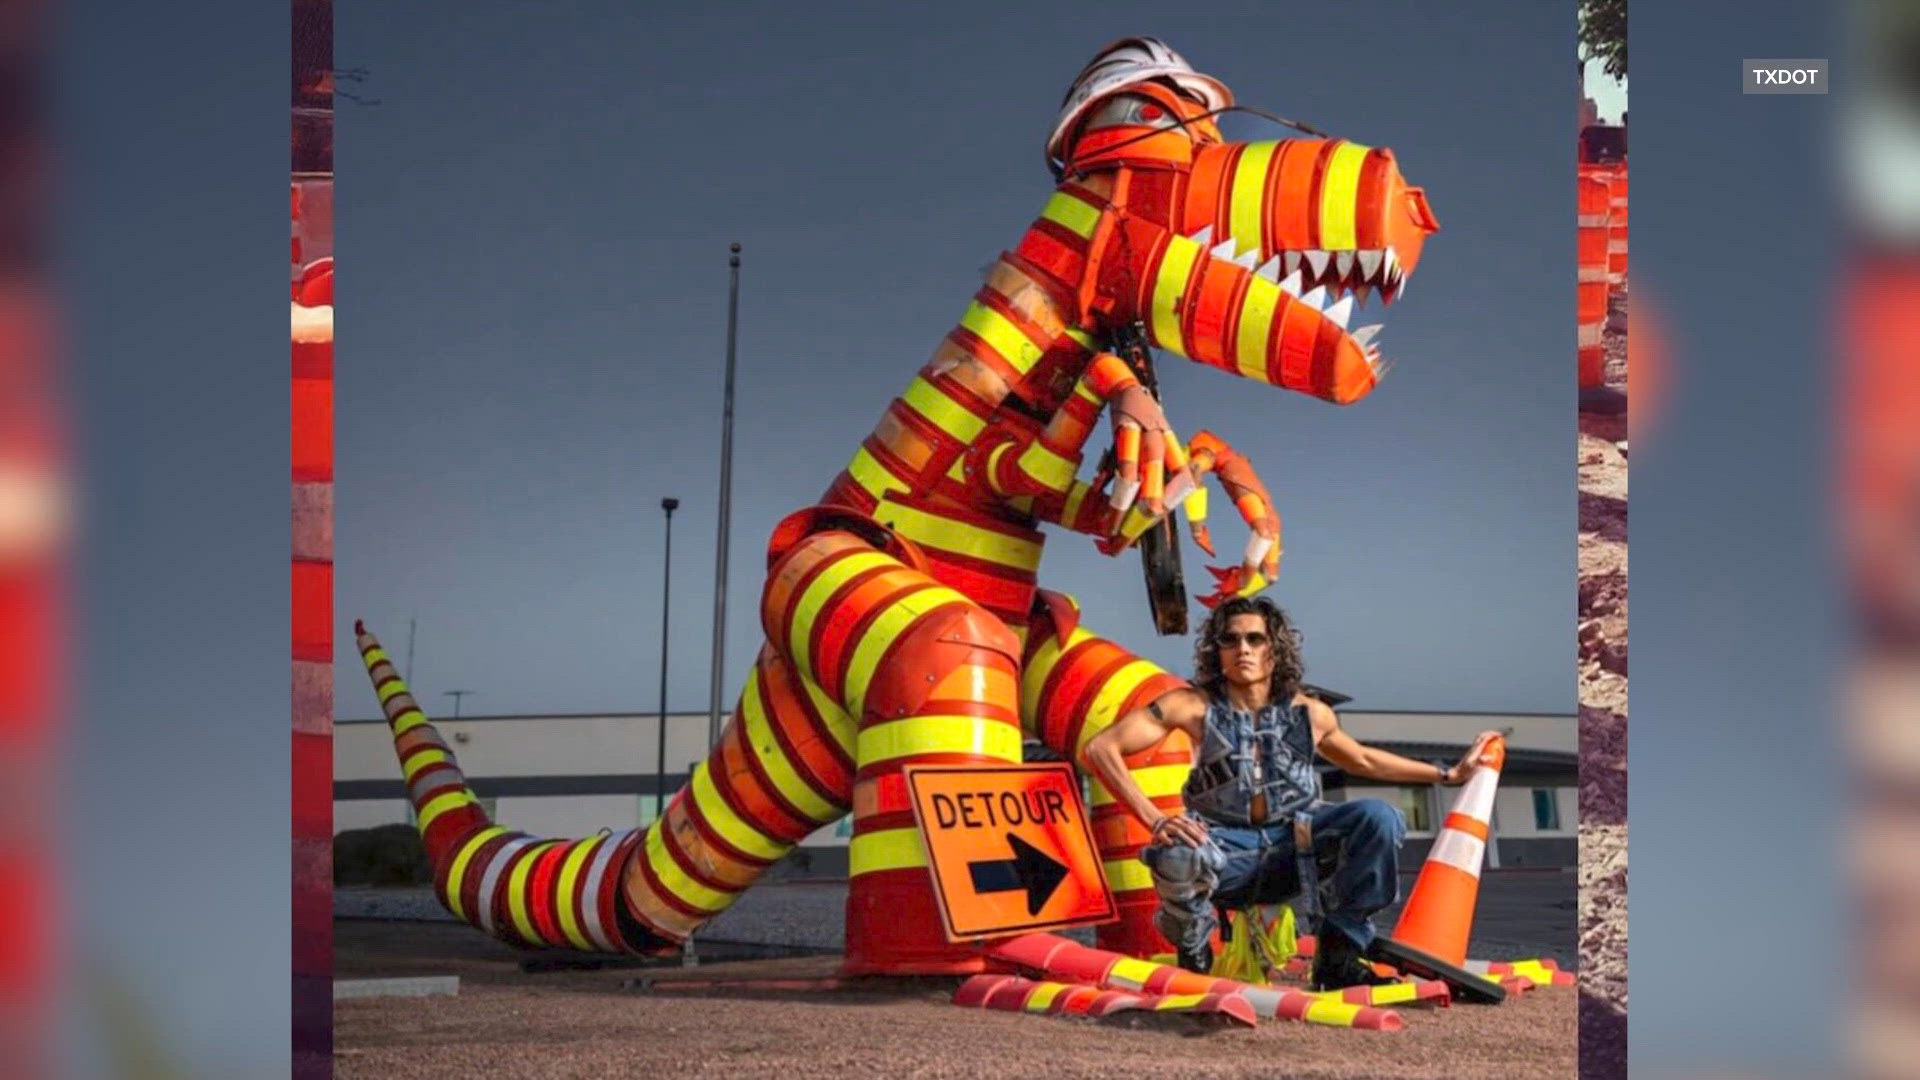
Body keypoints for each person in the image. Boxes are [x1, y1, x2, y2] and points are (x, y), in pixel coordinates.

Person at [1079, 596, 1500, 989]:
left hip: (1297, 848)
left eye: (1254, 638)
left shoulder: (1311, 713)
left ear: (1273, 650)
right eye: (1230, 639)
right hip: (1225, 850)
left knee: (1379, 817)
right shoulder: (1189, 705)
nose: (1242, 648)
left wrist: (1448, 774)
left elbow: (1364, 761)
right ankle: (1194, 949)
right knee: (1175, 849)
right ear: (1217, 651)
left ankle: (1339, 957)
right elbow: (1101, 748)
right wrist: (1156, 818)